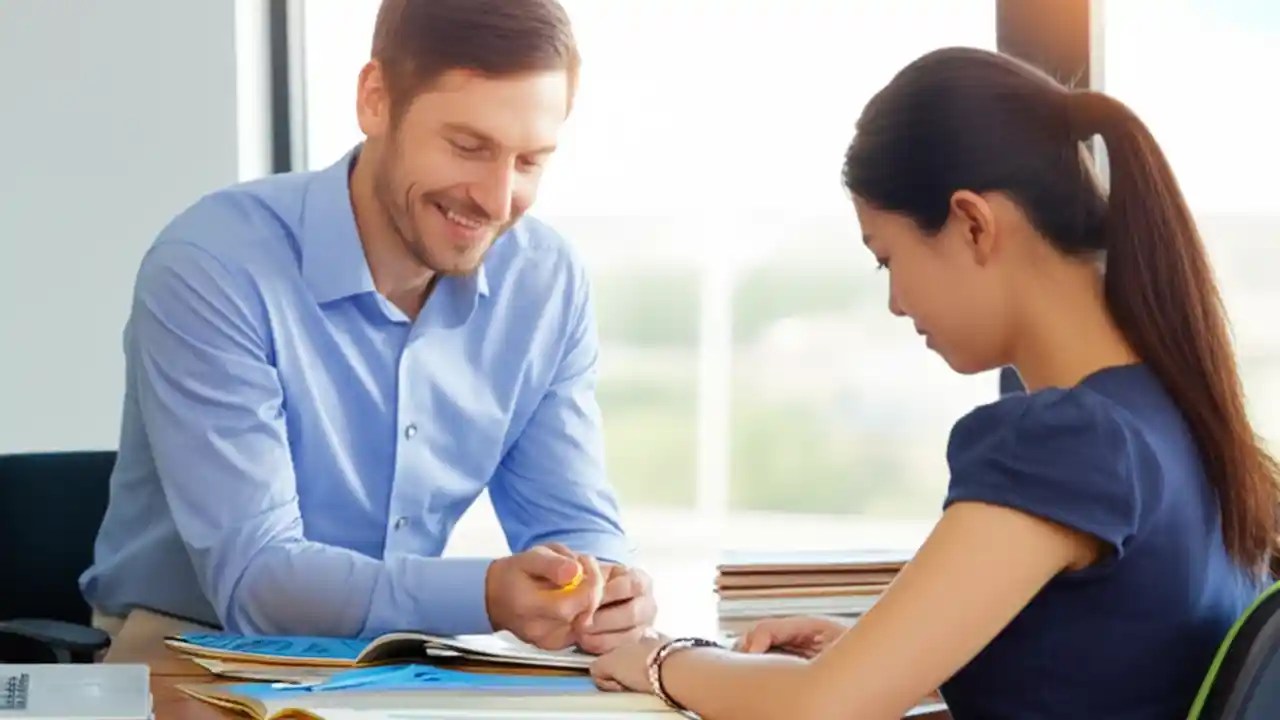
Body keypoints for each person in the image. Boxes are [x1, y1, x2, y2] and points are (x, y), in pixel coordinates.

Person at [589, 46, 1280, 719]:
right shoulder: (1179, 418)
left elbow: (819, 710)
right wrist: (887, 666)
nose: (895, 301)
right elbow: (1112, 670)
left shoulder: (1068, 441)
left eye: (887, 257)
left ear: (973, 224)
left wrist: (661, 657)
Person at [79, 0, 656, 653]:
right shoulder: (213, 265)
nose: (497, 202)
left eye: (529, 162)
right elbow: (257, 582)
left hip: (404, 660)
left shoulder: (545, 282)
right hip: (192, 651)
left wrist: (608, 592)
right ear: (376, 99)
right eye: (469, 147)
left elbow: (574, 523)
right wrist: (488, 594)